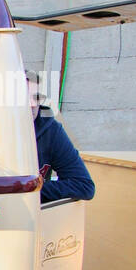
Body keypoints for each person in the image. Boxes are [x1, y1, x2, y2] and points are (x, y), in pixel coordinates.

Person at [28, 71, 95, 203]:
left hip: (33, 216)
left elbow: (84, 186)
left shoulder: (50, 130)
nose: (32, 104)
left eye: (36, 98)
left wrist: (31, 190)